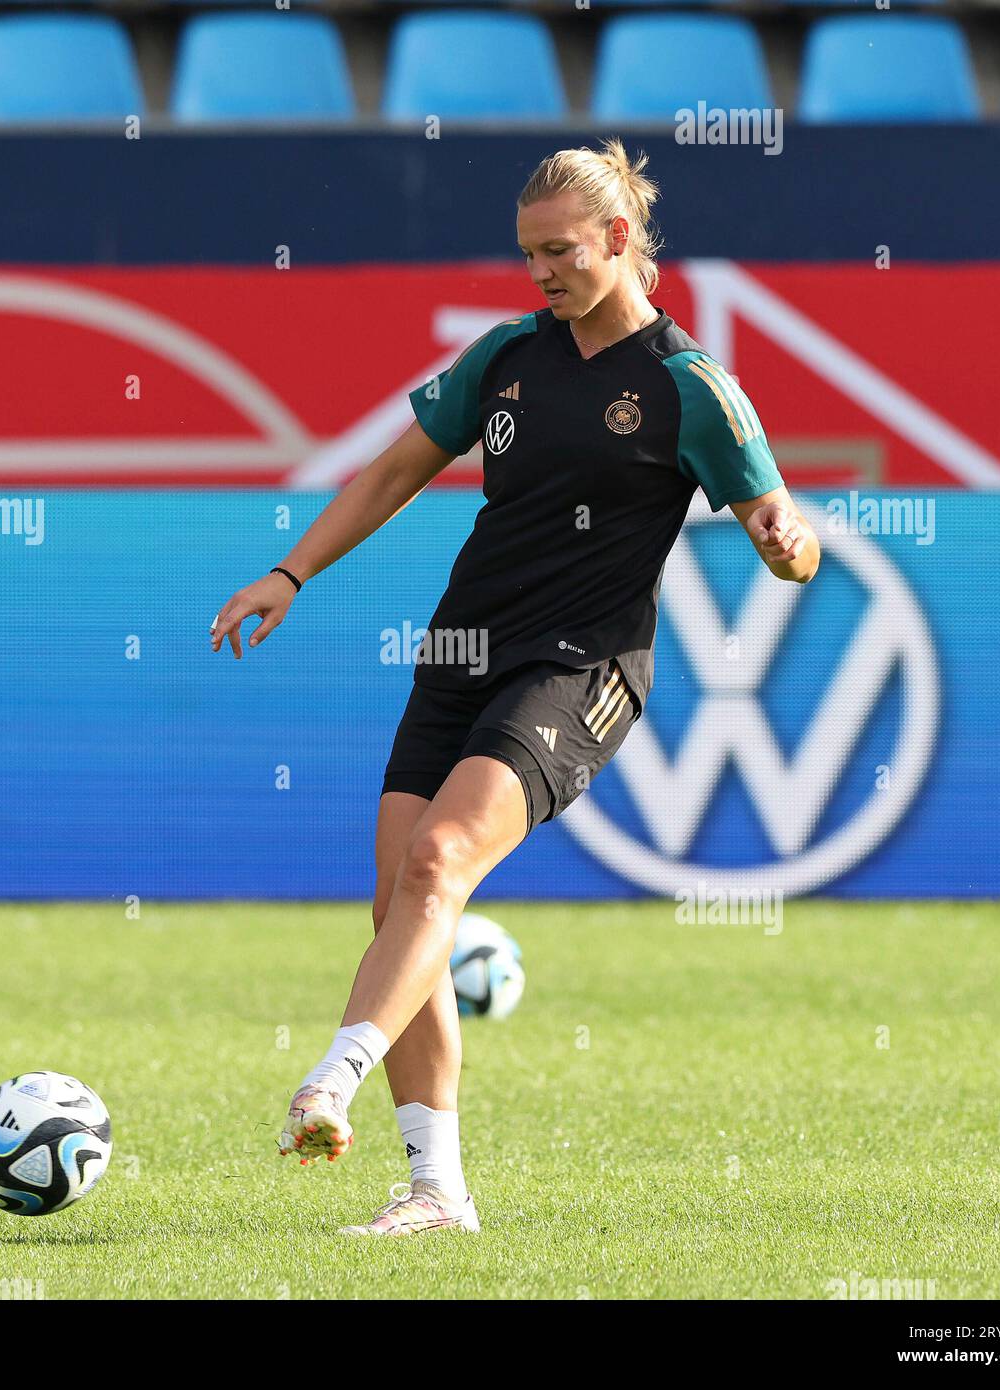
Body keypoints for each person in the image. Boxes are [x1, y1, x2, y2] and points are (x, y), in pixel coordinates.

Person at [210, 138, 819, 1236]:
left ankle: (329, 1080)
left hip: (581, 669)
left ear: (620, 240)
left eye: (560, 251)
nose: (540, 272)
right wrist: (290, 571)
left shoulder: (690, 388)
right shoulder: (504, 359)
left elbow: (786, 530)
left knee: (442, 860)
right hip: (459, 651)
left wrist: (786, 540)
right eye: (528, 252)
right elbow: (395, 468)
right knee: (406, 904)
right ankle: (437, 1189)